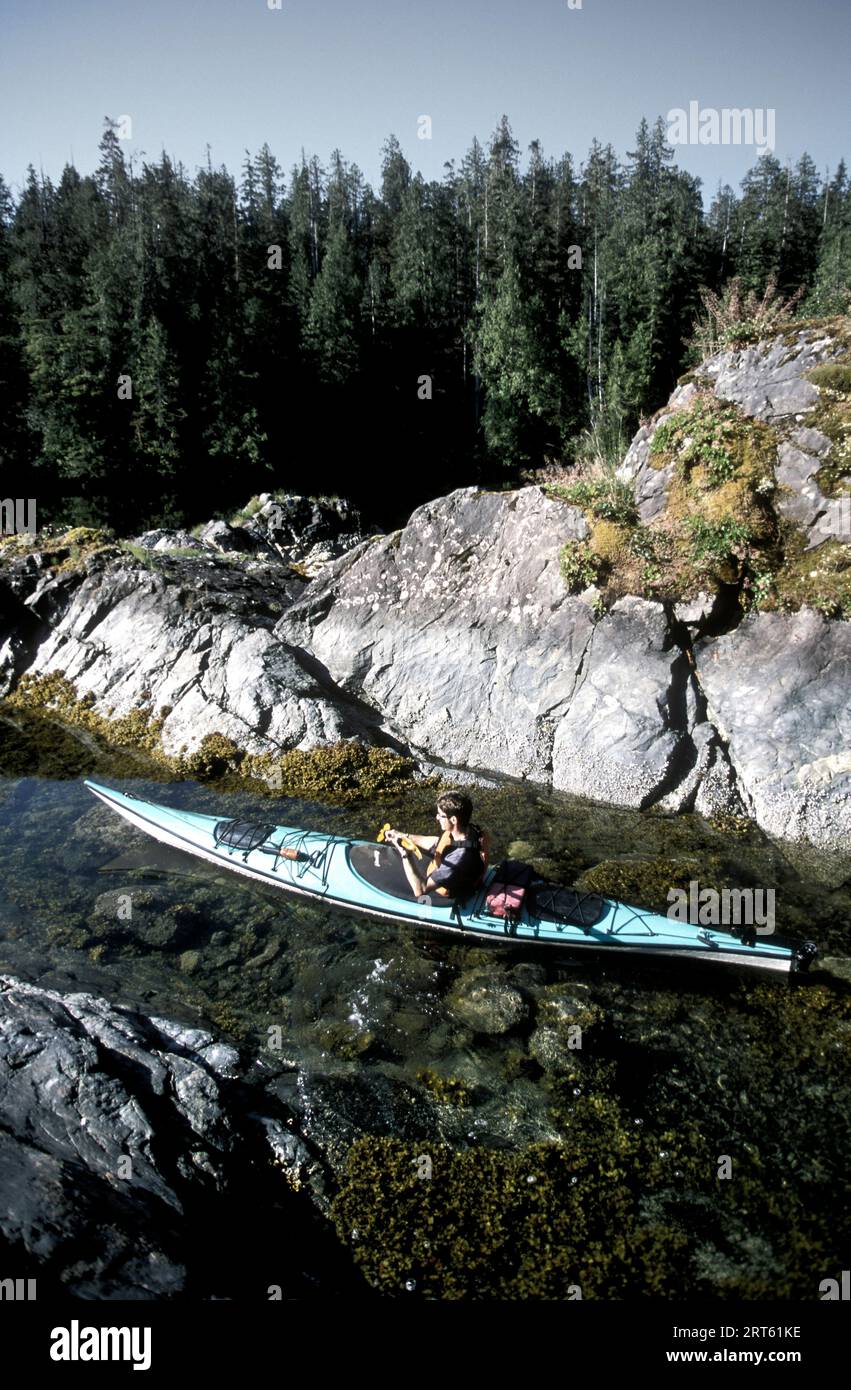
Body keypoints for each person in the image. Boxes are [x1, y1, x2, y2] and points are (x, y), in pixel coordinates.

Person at [384, 790, 489, 902]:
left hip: (446, 891)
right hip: (461, 873)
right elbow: (438, 843)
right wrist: (404, 836)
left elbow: (420, 890)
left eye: (440, 815)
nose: (437, 817)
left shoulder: (456, 861)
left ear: (454, 820)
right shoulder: (471, 831)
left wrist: (406, 854)